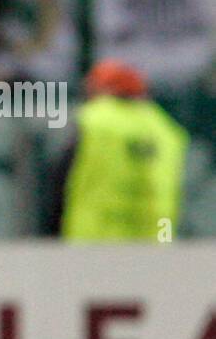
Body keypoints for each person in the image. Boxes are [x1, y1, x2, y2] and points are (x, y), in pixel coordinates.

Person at [48, 59, 189, 242]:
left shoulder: (90, 120)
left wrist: (52, 230)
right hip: (155, 240)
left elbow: (61, 179)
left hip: (94, 240)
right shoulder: (168, 130)